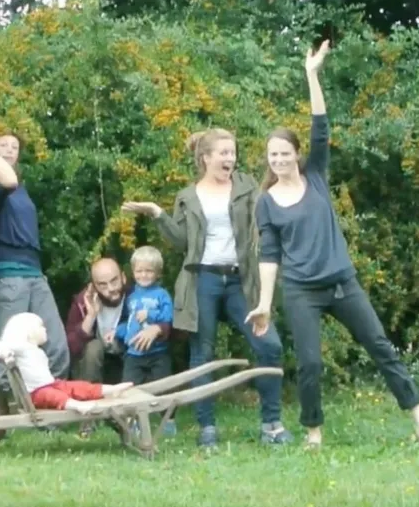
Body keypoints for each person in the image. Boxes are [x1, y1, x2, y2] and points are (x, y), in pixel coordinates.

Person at [245, 40, 419, 449]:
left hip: (343, 283)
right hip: (301, 290)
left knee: (381, 348)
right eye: (272, 156)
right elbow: (269, 255)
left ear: (299, 155)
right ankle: (314, 433)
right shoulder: (266, 202)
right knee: (311, 364)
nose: (278, 160)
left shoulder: (315, 175)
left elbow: (321, 124)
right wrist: (265, 303)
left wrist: (311, 74)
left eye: (284, 153)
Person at [121, 131, 292, 448]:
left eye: (233, 153)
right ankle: (207, 429)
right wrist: (158, 214)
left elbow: (268, 218)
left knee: (268, 345)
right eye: (224, 153)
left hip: (242, 281)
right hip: (203, 281)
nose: (230, 159)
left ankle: (271, 424)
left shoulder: (247, 187)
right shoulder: (188, 196)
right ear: (206, 158)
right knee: (202, 354)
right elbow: (180, 242)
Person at [0, 132, 71, 389]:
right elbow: (4, 182)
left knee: (55, 343)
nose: (9, 150)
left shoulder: (22, 189)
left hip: (34, 272)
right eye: (2, 146)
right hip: (7, 274)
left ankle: (48, 401)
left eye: (14, 146)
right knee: (5, 347)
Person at [0, 312, 134, 413]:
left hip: (50, 385)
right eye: (40, 327)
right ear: (29, 332)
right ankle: (76, 406)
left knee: (78, 387)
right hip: (35, 394)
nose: (44, 329)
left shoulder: (35, 349)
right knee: (54, 396)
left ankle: (110, 390)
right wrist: (5, 352)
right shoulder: (21, 347)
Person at [64, 258, 130, 386]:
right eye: (102, 285)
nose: (110, 288)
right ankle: (90, 398)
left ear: (123, 277)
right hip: (91, 367)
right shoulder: (83, 301)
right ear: (94, 286)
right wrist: (91, 315)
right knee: (94, 347)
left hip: (126, 361)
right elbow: (70, 348)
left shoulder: (136, 297)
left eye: (114, 280)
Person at [115, 246, 174, 386]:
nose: (143, 275)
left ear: (158, 273)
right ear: (133, 272)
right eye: (139, 271)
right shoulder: (131, 296)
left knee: (162, 388)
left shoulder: (162, 294)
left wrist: (150, 314)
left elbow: (169, 317)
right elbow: (130, 322)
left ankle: (164, 408)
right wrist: (116, 331)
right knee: (129, 388)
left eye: (149, 271)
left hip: (158, 352)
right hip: (133, 354)